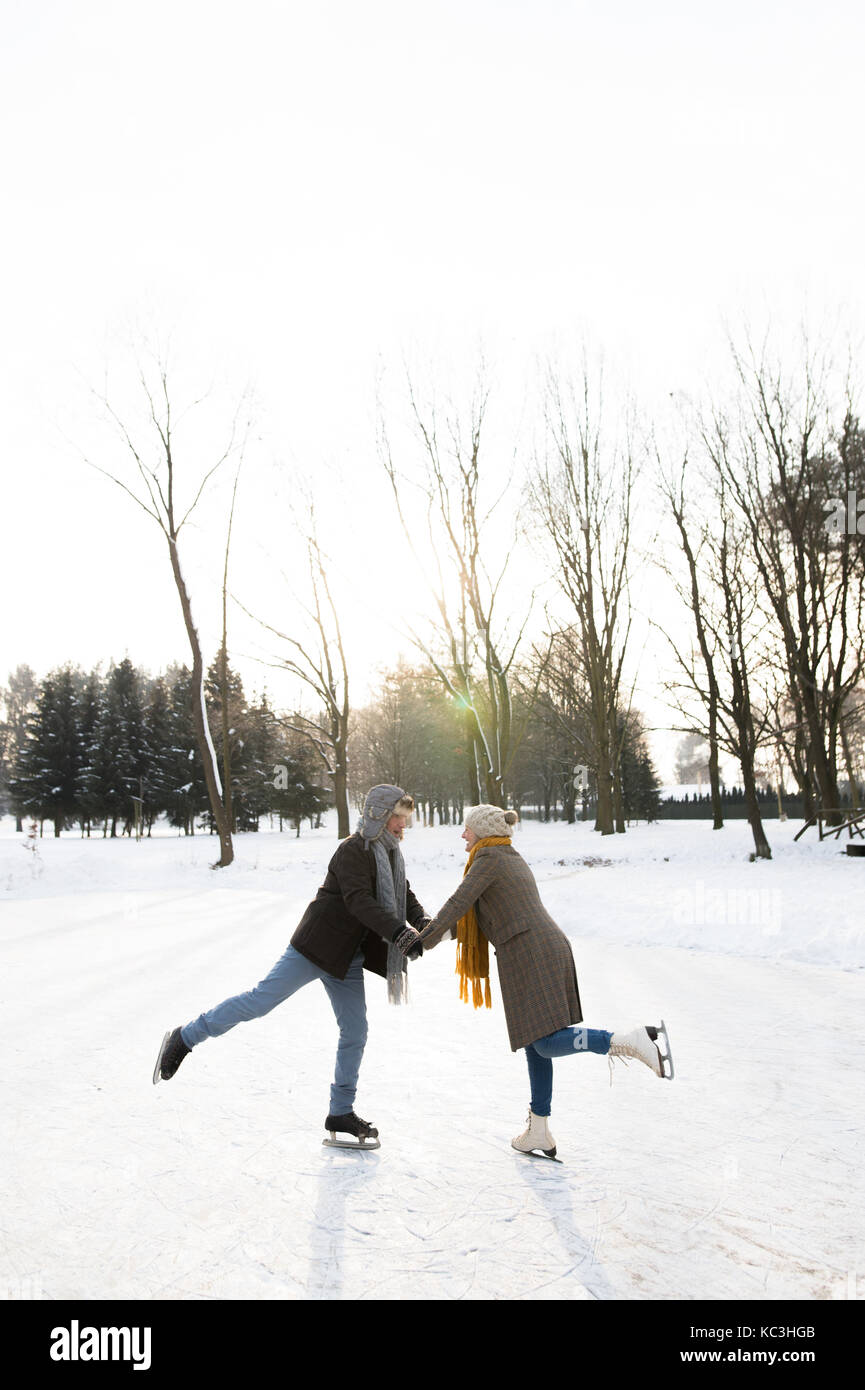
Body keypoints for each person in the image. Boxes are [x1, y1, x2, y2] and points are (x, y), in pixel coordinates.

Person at [153, 785, 429, 1147]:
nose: (402, 827)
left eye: (405, 820)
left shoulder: (389, 854)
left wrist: (421, 920)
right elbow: (359, 901)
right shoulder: (352, 850)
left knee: (355, 1031)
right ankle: (185, 1037)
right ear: (379, 814)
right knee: (259, 1001)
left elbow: (403, 893)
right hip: (316, 948)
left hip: (347, 958)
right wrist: (398, 933)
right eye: (398, 818)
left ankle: (340, 1111)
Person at [408, 804, 673, 1160]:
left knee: (545, 1043)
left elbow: (458, 903)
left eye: (467, 829)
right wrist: (428, 937)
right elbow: (469, 918)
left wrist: (421, 941)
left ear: (482, 831)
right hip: (535, 950)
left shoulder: (490, 859)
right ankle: (538, 1129)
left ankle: (625, 1041)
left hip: (531, 953)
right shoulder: (502, 855)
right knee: (535, 1045)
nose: (462, 835)